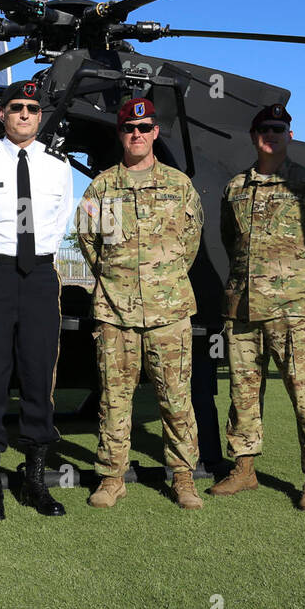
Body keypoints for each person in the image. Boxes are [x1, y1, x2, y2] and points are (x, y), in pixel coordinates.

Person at [212, 101, 305, 510]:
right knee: (243, 394)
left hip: (294, 312)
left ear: (289, 136)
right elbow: (229, 240)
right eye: (263, 129)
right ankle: (244, 467)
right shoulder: (236, 187)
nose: (270, 135)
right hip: (242, 311)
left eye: (278, 129)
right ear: (254, 137)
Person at [0, 78, 75, 520]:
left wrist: (35, 259)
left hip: (40, 275)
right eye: (16, 107)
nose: (24, 114)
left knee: (40, 377)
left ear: (40, 117)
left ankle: (34, 480)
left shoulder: (58, 165)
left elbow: (59, 221)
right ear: (2, 114)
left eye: (32, 108)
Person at [76, 98, 205, 510]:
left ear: (155, 132)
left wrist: (160, 279)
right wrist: (120, 280)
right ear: (120, 133)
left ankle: (183, 477)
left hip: (169, 311)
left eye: (145, 127)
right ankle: (112, 478)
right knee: (115, 399)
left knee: (175, 398)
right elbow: (88, 243)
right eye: (129, 128)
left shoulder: (179, 185)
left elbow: (190, 244)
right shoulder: (100, 187)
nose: (137, 134)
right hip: (115, 311)